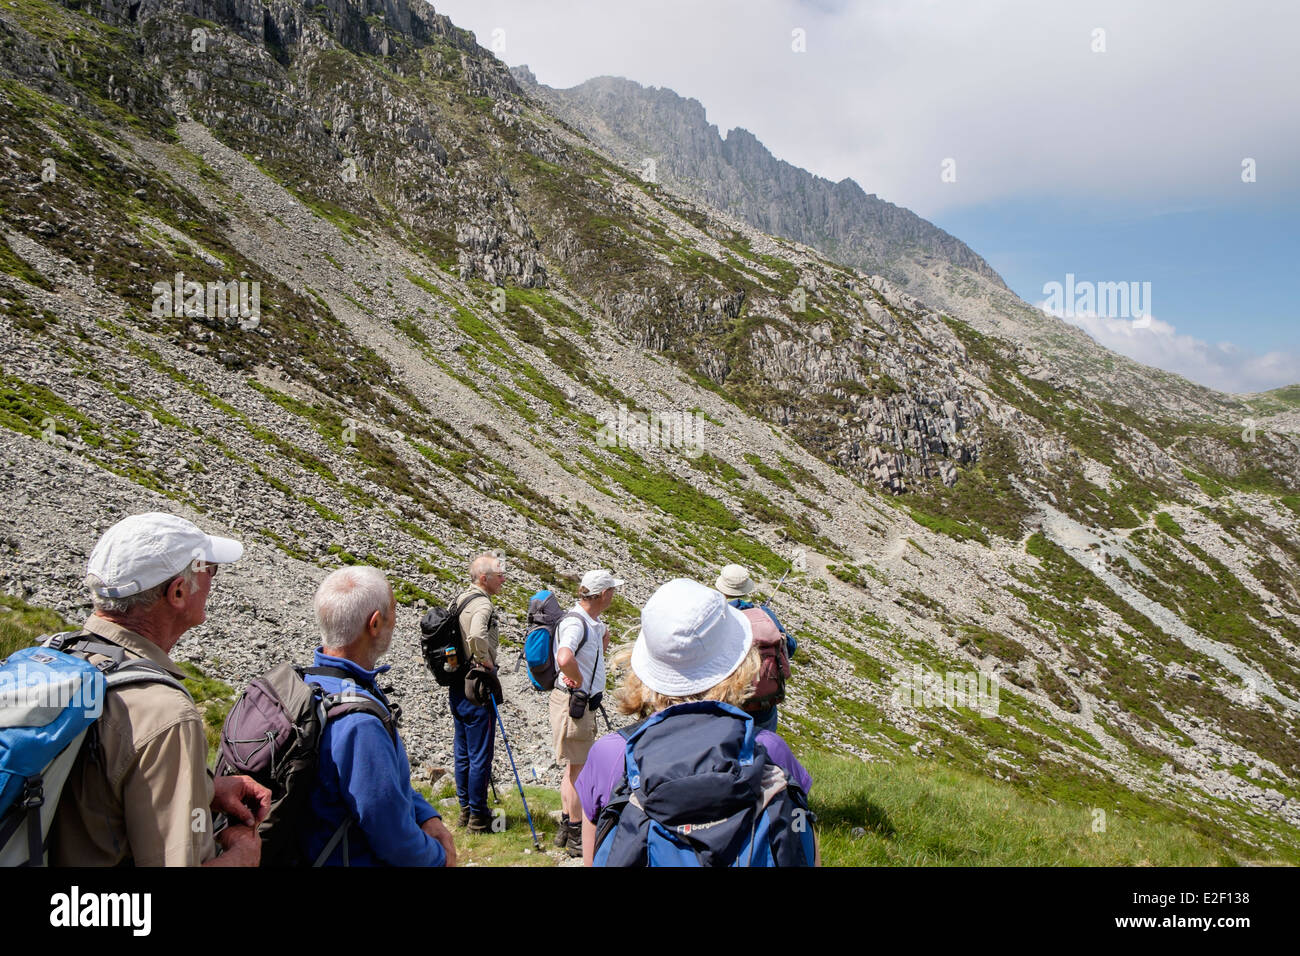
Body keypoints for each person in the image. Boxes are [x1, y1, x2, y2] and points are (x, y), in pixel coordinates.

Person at [50, 511, 270, 866]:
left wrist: (204, 789)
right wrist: (243, 855)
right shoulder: (167, 715)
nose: (213, 581)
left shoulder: (53, 656)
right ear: (178, 591)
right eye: (210, 570)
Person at [576, 578, 816, 866]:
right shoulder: (768, 749)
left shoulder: (610, 754)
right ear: (739, 665)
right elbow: (803, 850)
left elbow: (593, 857)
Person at [300, 565, 456, 866]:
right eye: (393, 610)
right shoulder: (361, 726)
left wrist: (424, 814)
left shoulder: (310, 685)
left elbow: (383, 787)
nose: (396, 621)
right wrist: (440, 858)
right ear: (374, 624)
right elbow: (395, 840)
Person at [550, 568, 622, 857]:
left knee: (573, 766)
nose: (615, 595)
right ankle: (577, 835)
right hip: (574, 704)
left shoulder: (589, 622)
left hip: (576, 704)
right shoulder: (576, 624)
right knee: (578, 771)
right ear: (603, 594)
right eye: (613, 591)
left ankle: (566, 827)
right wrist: (577, 679)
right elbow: (564, 657)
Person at [449, 553, 504, 833]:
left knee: (462, 751)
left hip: (457, 683)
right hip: (477, 685)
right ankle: (479, 816)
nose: (503, 578)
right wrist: (486, 661)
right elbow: (477, 635)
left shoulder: (461, 599)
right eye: (499, 574)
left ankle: (465, 809)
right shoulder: (482, 604)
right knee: (481, 751)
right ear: (484, 578)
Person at [716, 564, 797, 732]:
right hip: (763, 704)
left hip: (728, 701)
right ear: (746, 588)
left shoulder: (717, 615)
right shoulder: (764, 613)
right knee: (763, 749)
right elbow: (790, 647)